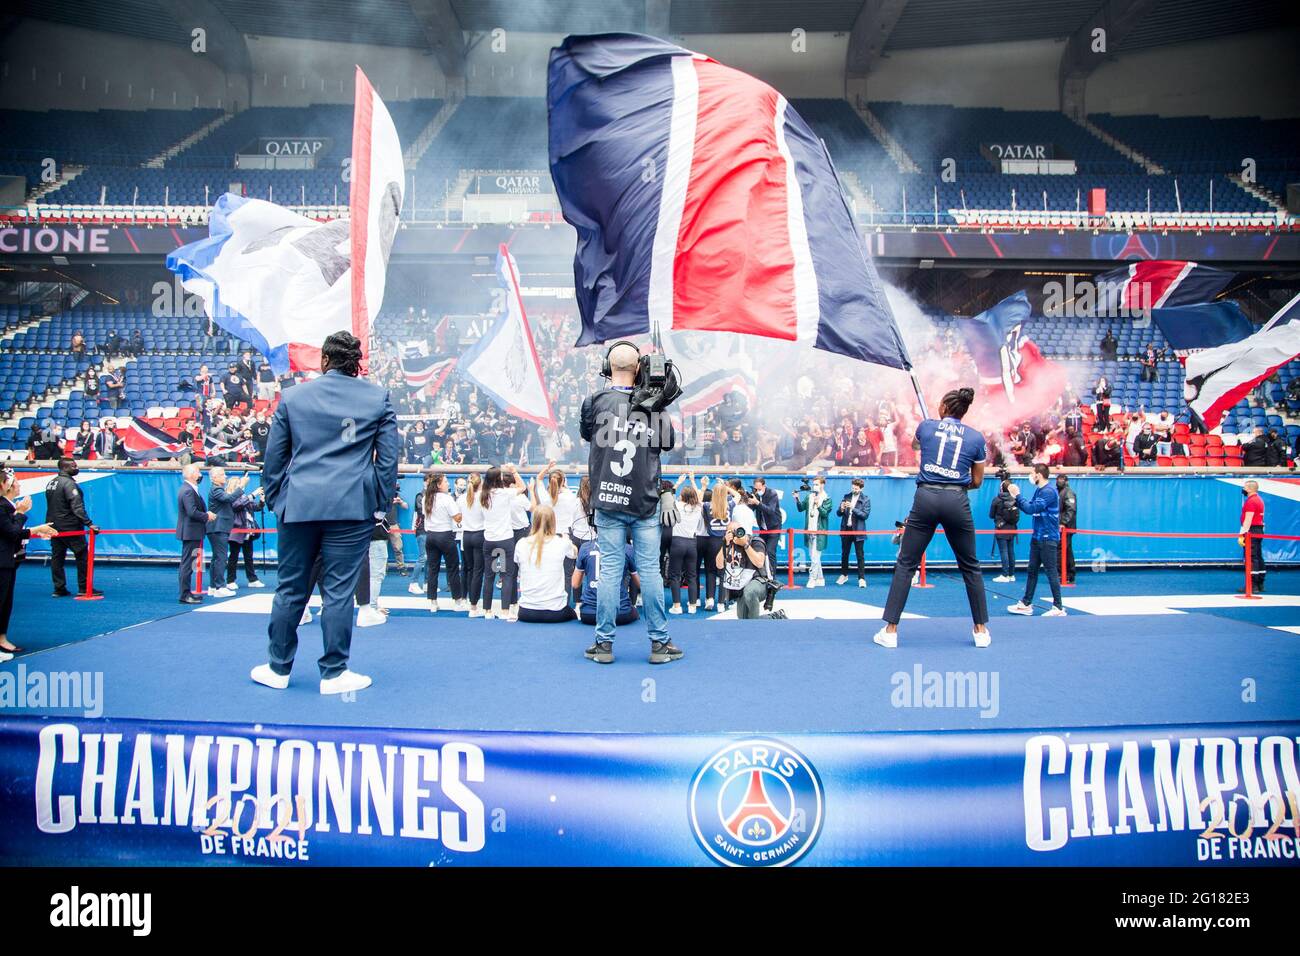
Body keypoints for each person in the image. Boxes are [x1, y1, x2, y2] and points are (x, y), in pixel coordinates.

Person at [253, 331, 399, 696]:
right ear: (357, 363)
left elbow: (273, 459)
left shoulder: (292, 397)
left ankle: (277, 668)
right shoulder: (377, 398)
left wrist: (277, 499)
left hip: (298, 505)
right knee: (338, 592)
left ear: (324, 361)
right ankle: (334, 673)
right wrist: (378, 504)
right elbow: (388, 462)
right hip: (351, 507)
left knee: (290, 589)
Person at [579, 341, 679, 665]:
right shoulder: (654, 405)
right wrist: (656, 402)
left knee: (610, 571)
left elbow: (586, 434)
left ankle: (604, 645)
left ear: (608, 369)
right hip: (645, 501)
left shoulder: (594, 401)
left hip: (607, 499)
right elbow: (668, 443)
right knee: (650, 572)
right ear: (640, 369)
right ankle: (659, 644)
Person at [874, 388, 990, 649]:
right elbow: (978, 480)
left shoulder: (926, 427)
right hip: (957, 500)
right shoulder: (975, 437)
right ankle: (981, 630)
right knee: (970, 565)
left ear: (943, 407)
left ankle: (890, 631)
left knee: (906, 563)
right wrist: (955, 483)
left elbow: (915, 445)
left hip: (925, 497)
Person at [0, 467, 56, 658]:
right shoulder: (3, 507)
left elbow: (14, 533)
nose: (18, 484)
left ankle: (2, 639)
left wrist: (35, 530)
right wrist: (21, 513)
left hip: (9, 559)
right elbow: (11, 532)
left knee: (6, 603)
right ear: (5, 486)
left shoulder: (8, 506)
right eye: (15, 482)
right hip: (2, 561)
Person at [1007, 464, 1066, 617]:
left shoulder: (1049, 492)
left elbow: (1031, 509)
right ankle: (1026, 603)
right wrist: (1017, 498)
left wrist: (1017, 495)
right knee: (1032, 570)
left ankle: (1058, 607)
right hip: (1038, 537)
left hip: (1048, 538)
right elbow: (1030, 507)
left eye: (1032, 473)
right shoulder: (1040, 490)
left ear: (1039, 475)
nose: (1030, 476)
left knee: (1051, 571)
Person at [44, 457, 101, 598]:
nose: (76, 468)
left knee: (57, 557)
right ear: (64, 468)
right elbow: (77, 507)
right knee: (82, 556)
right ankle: (84, 587)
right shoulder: (69, 484)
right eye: (73, 466)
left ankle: (59, 588)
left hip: (53, 526)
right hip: (70, 527)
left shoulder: (51, 483)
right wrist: (89, 523)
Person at [514, 504, 578, 623]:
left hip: (526, 611)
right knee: (573, 616)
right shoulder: (561, 543)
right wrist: (567, 540)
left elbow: (519, 565)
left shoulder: (521, 544)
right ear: (553, 522)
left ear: (534, 522)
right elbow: (574, 553)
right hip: (555, 611)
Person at [480, 464, 527, 620]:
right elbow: (522, 487)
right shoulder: (504, 493)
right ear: (498, 478)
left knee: (489, 576)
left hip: (490, 540)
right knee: (507, 575)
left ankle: (487, 610)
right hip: (505, 541)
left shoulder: (483, 494)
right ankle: (505, 611)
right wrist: (514, 470)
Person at [423, 473, 465, 612]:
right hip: (445, 535)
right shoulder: (447, 499)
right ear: (439, 485)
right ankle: (457, 601)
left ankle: (433, 602)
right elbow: (458, 518)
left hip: (430, 537)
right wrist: (463, 512)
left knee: (432, 569)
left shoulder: (426, 498)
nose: (448, 483)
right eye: (446, 482)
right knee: (452, 568)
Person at [573, 538, 639, 626]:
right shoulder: (627, 548)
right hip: (620, 614)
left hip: (589, 614)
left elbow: (575, 584)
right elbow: (640, 584)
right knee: (633, 611)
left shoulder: (585, 547)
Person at [176, 463, 215, 604]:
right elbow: (191, 512)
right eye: (198, 472)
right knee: (187, 564)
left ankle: (187, 592)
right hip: (190, 532)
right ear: (192, 474)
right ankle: (184, 594)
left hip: (193, 531)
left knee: (190, 563)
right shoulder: (188, 490)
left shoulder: (190, 489)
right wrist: (207, 516)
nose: (200, 474)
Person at [716, 522, 770, 619]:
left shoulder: (755, 541)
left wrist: (745, 545)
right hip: (741, 585)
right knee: (743, 619)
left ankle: (755, 628)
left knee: (750, 591)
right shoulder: (728, 545)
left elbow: (759, 563)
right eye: (731, 532)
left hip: (759, 582)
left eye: (737, 530)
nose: (735, 534)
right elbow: (719, 565)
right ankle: (773, 617)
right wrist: (726, 544)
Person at [666, 475, 704, 614]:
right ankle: (692, 606)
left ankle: (677, 606)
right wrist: (693, 481)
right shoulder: (698, 507)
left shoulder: (678, 505)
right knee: (692, 576)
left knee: (675, 575)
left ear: (682, 496)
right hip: (692, 543)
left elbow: (668, 495)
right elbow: (699, 497)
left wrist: (678, 483)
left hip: (677, 542)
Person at [795, 475, 832, 588]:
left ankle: (812, 579)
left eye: (817, 484)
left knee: (815, 557)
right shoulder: (809, 496)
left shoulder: (827, 498)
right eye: (814, 484)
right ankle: (821, 578)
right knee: (813, 556)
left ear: (822, 485)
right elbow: (801, 508)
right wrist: (797, 498)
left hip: (819, 531)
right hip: (809, 530)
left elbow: (825, 513)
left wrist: (818, 504)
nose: (814, 486)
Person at [227, 485, 266, 590]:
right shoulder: (231, 498)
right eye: (239, 485)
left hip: (248, 532)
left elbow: (256, 507)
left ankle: (252, 579)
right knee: (233, 557)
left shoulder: (245, 499)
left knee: (249, 557)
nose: (242, 488)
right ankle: (230, 580)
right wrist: (253, 494)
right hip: (236, 532)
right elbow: (237, 506)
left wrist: (262, 501)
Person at [459, 473, 487, 616]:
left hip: (467, 535)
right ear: (480, 483)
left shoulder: (462, 498)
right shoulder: (482, 497)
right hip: (479, 534)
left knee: (469, 569)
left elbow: (459, 516)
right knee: (477, 571)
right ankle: (474, 605)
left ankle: (470, 600)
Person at [836, 477, 871, 587]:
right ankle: (844, 575)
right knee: (844, 554)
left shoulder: (866, 499)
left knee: (860, 555)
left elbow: (865, 515)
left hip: (858, 530)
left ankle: (861, 578)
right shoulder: (846, 497)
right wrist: (841, 509)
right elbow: (838, 514)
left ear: (861, 488)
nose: (854, 490)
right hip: (846, 529)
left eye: (856, 488)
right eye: (852, 488)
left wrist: (852, 508)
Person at [989, 475, 1020, 583]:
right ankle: (1011, 574)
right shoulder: (1015, 499)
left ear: (1001, 488)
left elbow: (991, 515)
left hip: (1001, 529)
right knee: (1011, 551)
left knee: (1004, 551)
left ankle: (1004, 574)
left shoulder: (997, 499)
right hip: (1012, 528)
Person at [1238, 479, 1266, 593]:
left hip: (1251, 531)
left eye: (1244, 487)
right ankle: (1260, 583)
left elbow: (1248, 520)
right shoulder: (1260, 500)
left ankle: (1252, 585)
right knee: (1258, 557)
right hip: (1259, 530)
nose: (1243, 489)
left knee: (1251, 557)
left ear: (1249, 489)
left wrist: (1241, 535)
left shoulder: (1250, 502)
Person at [1056, 473, 1077, 585]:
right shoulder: (1060, 492)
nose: (1059, 481)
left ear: (1066, 481)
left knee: (1065, 550)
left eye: (1061, 479)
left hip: (1066, 528)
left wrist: (1063, 523)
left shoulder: (1068, 492)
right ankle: (1065, 574)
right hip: (1062, 527)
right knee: (1064, 550)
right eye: (1058, 479)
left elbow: (1071, 509)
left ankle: (1067, 574)